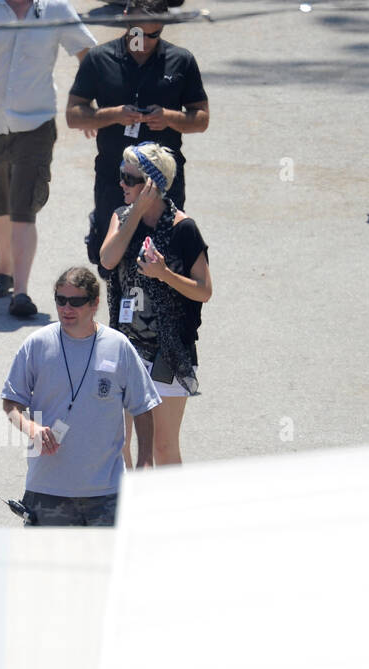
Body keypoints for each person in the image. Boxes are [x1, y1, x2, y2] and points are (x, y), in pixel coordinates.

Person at [0, 0, 96, 318]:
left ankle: (20, 293)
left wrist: (87, 99)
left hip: (35, 126)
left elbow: (88, 57)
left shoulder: (55, 11)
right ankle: (5, 271)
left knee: (23, 205)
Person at [1, 267, 160, 526]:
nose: (67, 308)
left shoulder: (118, 346)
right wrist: (31, 428)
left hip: (107, 492)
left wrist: (144, 462)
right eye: (60, 300)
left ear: (95, 303)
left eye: (76, 301)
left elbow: (143, 408)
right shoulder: (37, 344)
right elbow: (11, 403)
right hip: (47, 489)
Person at [66, 0, 208, 269]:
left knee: (164, 260)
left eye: (153, 35)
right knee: (112, 263)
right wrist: (114, 115)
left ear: (164, 27)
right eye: (137, 33)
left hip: (164, 183)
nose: (143, 42)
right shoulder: (99, 59)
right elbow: (74, 115)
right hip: (114, 180)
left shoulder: (181, 60)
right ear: (124, 20)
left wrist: (169, 117)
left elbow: (201, 119)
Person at [98, 142, 211, 467]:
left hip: (169, 352)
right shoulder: (122, 218)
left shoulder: (183, 229)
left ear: (153, 184)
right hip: (125, 347)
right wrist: (135, 215)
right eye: (121, 175)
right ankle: (124, 511)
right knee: (118, 440)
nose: (121, 183)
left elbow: (204, 290)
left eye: (129, 178)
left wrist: (164, 274)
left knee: (163, 447)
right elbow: (107, 260)